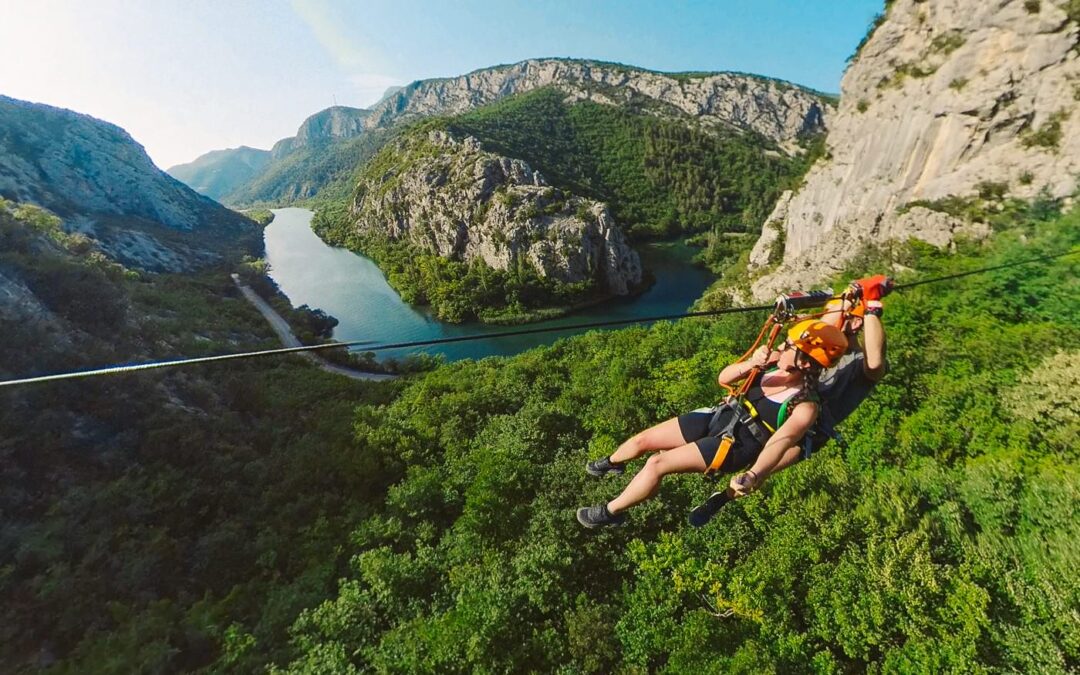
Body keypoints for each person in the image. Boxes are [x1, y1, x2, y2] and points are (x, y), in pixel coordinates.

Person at [576, 319, 849, 528]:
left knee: (657, 464)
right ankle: (613, 462)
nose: (781, 346)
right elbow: (725, 377)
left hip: (735, 444)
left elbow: (781, 442)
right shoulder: (771, 365)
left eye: (788, 346)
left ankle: (610, 513)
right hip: (720, 415)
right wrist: (752, 364)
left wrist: (754, 474)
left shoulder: (805, 407)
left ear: (804, 361)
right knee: (642, 441)